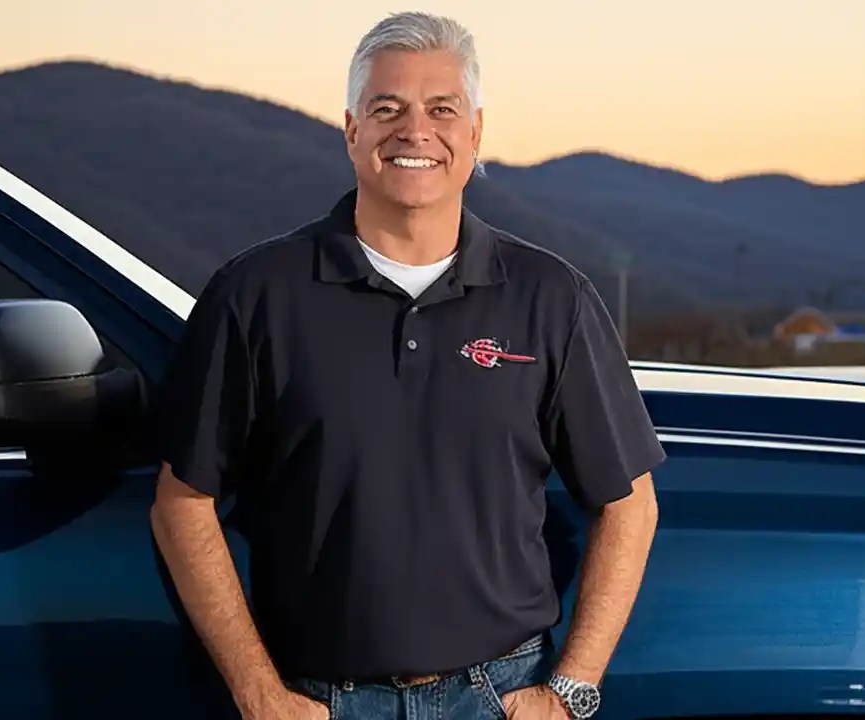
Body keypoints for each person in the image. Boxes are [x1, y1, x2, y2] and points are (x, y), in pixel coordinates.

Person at [150, 11, 664, 720]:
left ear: (475, 132)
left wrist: (571, 689)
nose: (414, 131)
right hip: (317, 700)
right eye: (386, 108)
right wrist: (258, 692)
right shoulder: (256, 294)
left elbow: (628, 503)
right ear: (351, 129)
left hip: (497, 697)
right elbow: (182, 502)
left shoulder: (552, 298)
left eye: (441, 109)